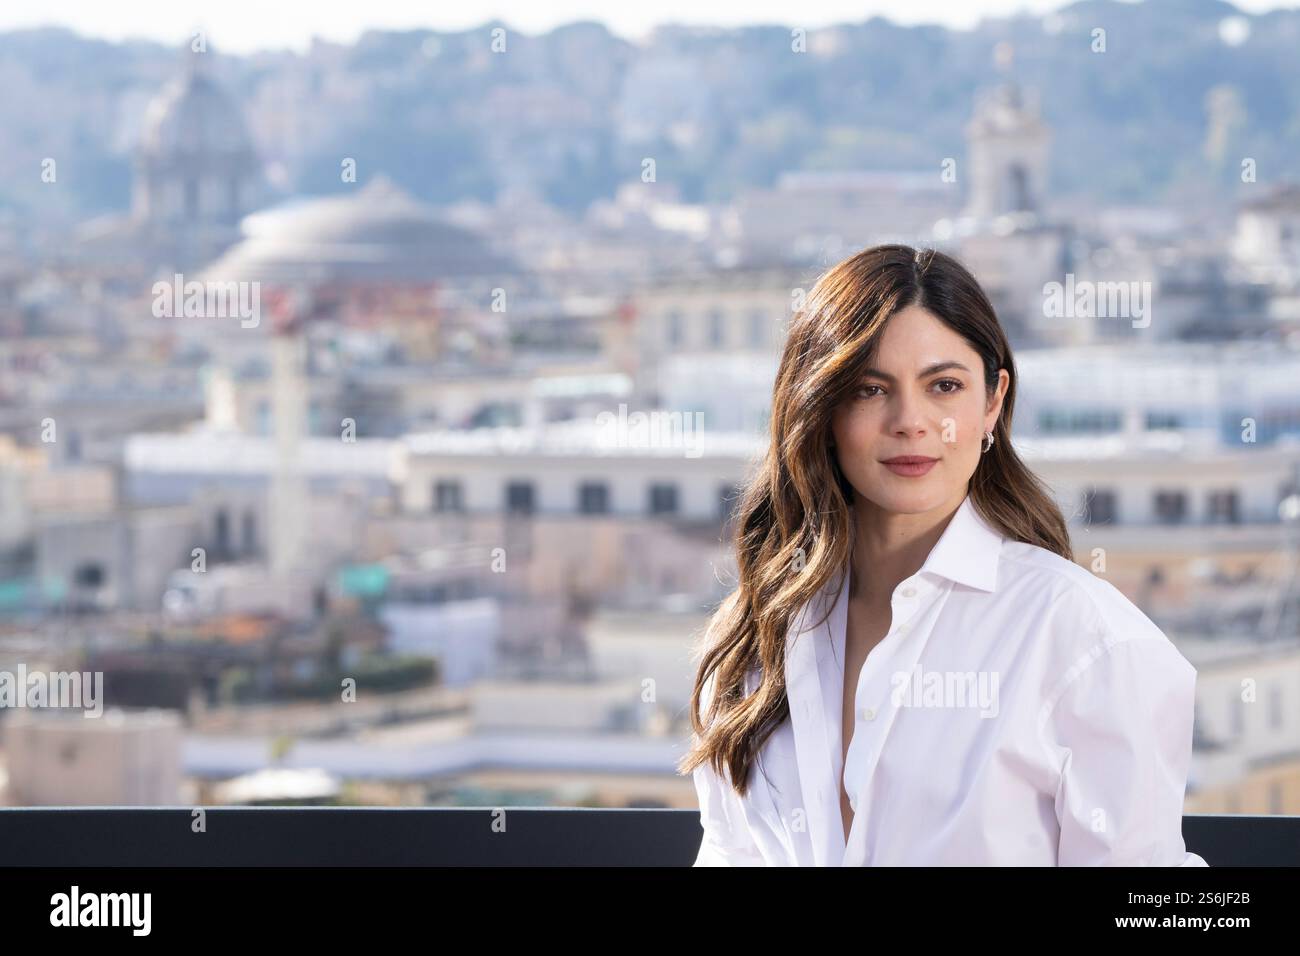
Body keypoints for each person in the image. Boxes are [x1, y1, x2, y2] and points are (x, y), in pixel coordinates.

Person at [679, 244, 1206, 866]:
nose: (910, 420)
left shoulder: (1087, 641)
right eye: (870, 389)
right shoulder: (753, 637)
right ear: (819, 409)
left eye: (945, 386)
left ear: (992, 402)